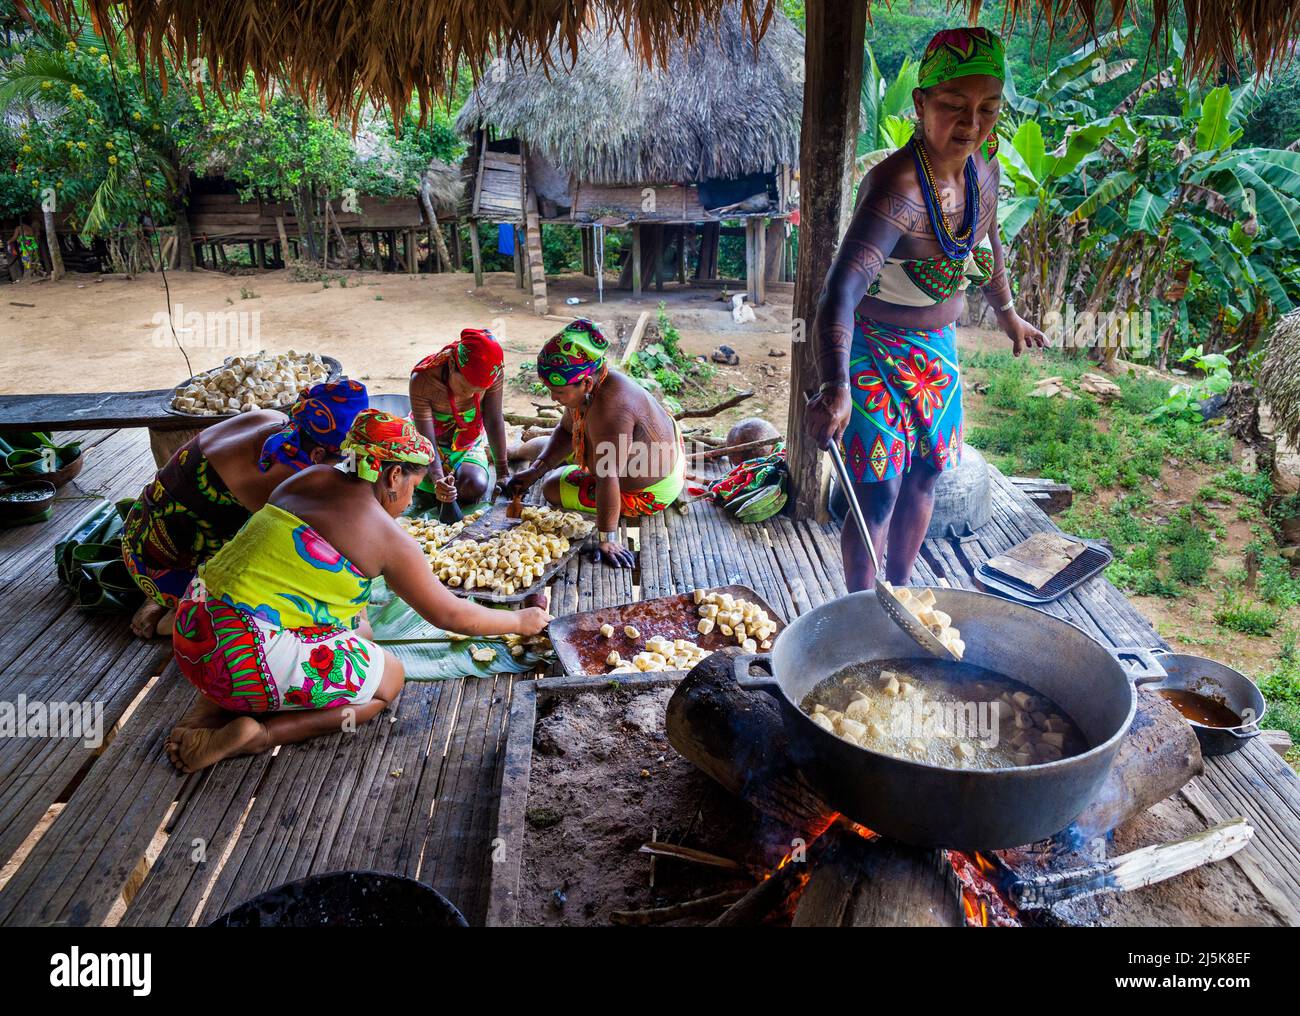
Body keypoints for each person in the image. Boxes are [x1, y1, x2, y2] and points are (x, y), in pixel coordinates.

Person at [164, 409, 551, 773]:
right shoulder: (386, 538)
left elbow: (289, 569)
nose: (412, 502)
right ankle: (261, 735)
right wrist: (519, 620)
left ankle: (208, 710)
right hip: (244, 661)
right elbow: (451, 615)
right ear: (394, 475)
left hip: (193, 631)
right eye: (415, 487)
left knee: (349, 628)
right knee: (389, 680)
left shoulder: (305, 478)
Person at [804, 27, 1045, 591]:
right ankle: (864, 608)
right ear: (920, 103)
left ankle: (901, 593)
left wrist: (1007, 311)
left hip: (936, 350)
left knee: (929, 469)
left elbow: (986, 244)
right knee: (878, 486)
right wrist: (836, 385)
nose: (972, 124)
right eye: (953, 107)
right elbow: (838, 294)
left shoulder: (985, 170)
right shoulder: (895, 191)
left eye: (988, 108)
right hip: (870, 349)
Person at [122, 378, 369, 639]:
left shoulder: (273, 420)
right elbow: (319, 554)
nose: (348, 468)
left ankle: (165, 600)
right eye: (346, 460)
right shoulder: (283, 481)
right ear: (318, 455)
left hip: (138, 532)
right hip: (159, 565)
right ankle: (179, 617)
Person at [501, 319, 684, 568]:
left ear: (586, 383)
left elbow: (608, 477)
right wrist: (536, 470)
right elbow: (567, 432)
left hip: (652, 488)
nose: (553, 398)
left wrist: (607, 537)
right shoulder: (594, 385)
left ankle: (528, 457)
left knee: (552, 487)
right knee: (548, 457)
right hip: (653, 451)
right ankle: (521, 455)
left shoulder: (611, 409)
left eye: (559, 391)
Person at [408, 327, 508, 507]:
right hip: (427, 442)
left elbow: (493, 420)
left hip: (468, 442)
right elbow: (426, 439)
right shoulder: (422, 380)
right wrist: (438, 477)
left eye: (478, 391)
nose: (470, 395)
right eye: (465, 386)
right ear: (453, 364)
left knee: (473, 486)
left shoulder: (492, 374)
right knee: (402, 477)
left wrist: (503, 473)